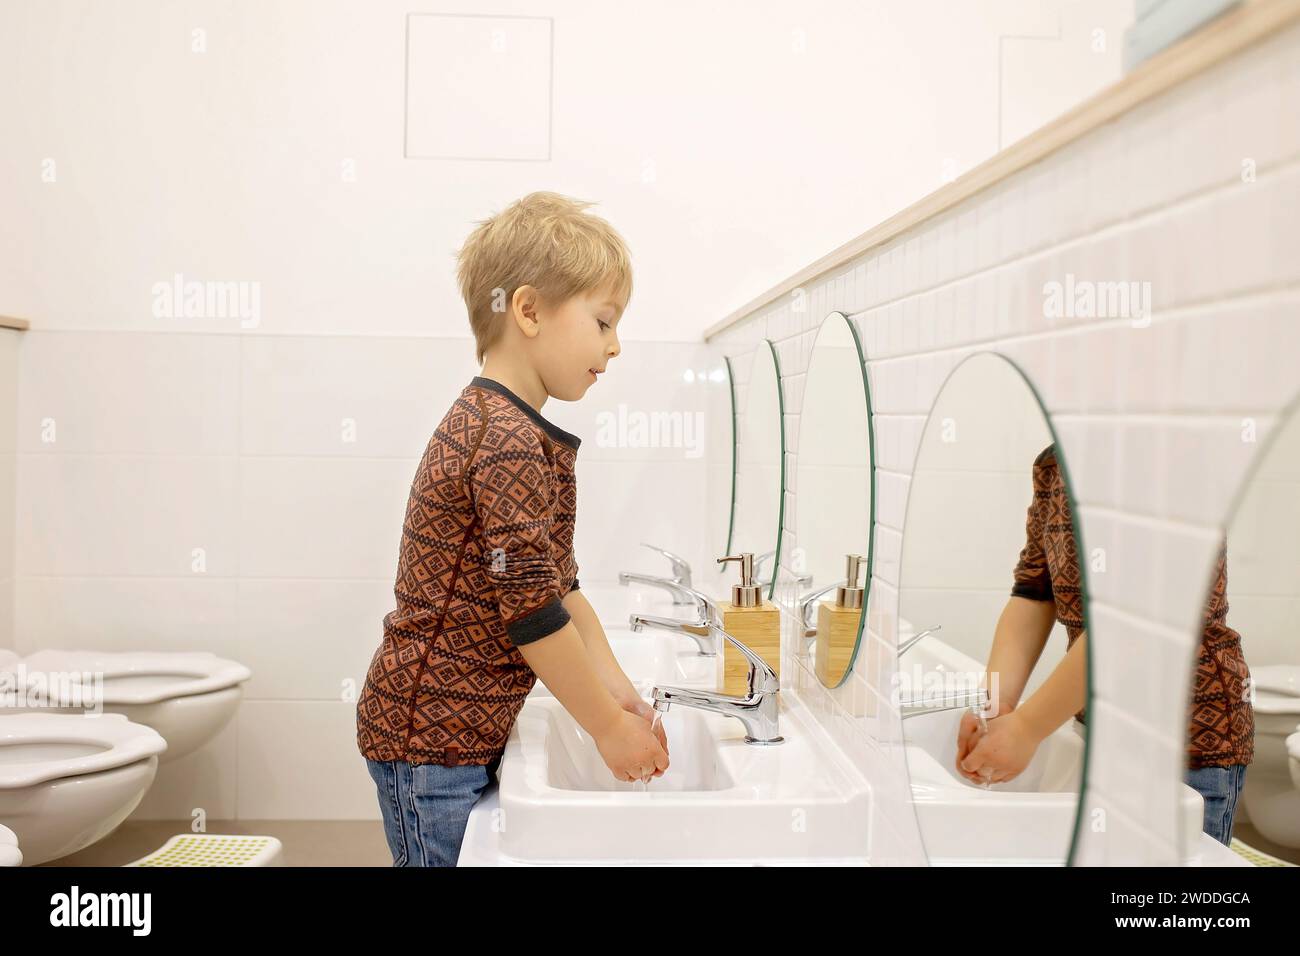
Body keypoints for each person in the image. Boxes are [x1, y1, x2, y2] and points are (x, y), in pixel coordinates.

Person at [355, 192, 669, 866]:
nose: (615, 347)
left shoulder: (519, 431)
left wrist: (615, 689)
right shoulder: (504, 438)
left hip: (451, 731)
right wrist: (609, 729)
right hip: (433, 742)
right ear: (527, 311)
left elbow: (561, 588)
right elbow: (532, 611)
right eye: (604, 321)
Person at [956, 443, 1254, 846]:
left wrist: (1027, 728)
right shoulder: (1055, 463)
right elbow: (1032, 592)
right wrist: (995, 705)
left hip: (1186, 742)